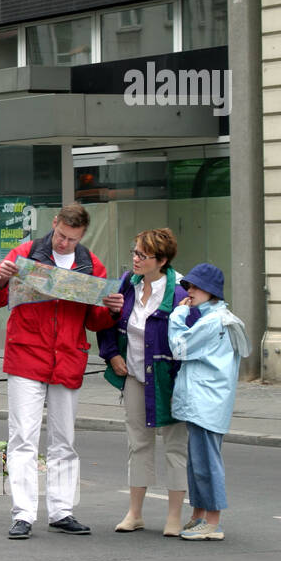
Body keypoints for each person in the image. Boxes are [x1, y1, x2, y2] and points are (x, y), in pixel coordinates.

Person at [0, 204, 118, 539]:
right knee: (23, 437)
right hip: (28, 355)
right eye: (60, 236)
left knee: (64, 440)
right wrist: (1, 277)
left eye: (71, 239)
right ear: (54, 224)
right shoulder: (26, 252)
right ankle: (23, 514)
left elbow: (94, 320)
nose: (63, 243)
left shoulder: (90, 263)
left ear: (82, 235)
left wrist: (111, 310)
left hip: (67, 357)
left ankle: (61, 511)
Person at [97, 228, 192, 537]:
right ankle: (134, 513)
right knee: (138, 443)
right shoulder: (127, 285)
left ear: (161, 260)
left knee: (175, 446)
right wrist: (112, 354)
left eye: (142, 255)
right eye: (134, 252)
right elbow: (106, 321)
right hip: (135, 377)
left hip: (170, 379)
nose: (135, 259)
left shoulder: (179, 294)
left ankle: (174, 516)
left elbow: (192, 341)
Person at [168, 264, 249, 542]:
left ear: (209, 291)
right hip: (207, 400)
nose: (189, 292)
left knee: (206, 462)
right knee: (198, 461)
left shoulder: (213, 321)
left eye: (194, 287)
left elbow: (179, 347)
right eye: (188, 286)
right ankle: (199, 515)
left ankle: (211, 521)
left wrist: (178, 313)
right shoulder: (217, 318)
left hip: (206, 400)